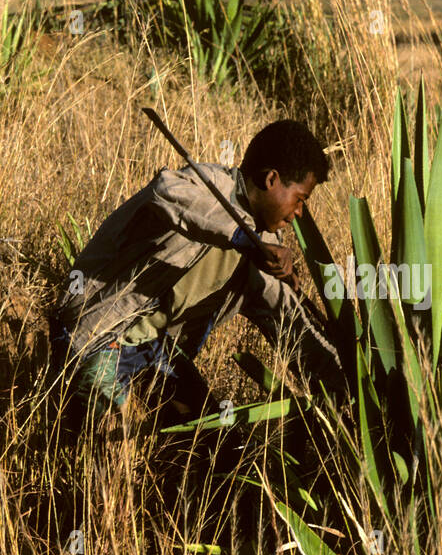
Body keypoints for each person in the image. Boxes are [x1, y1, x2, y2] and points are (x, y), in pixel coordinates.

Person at [47, 119, 344, 441]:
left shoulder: (256, 251)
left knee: (211, 446)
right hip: (98, 335)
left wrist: (345, 378)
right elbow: (167, 192)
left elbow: (288, 319)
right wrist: (242, 239)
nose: (300, 212)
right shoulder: (209, 186)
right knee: (108, 446)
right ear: (271, 179)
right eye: (300, 198)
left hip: (150, 348)